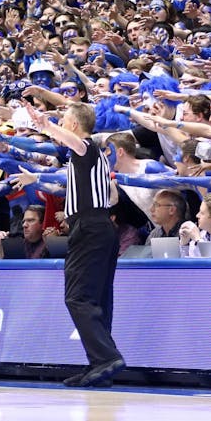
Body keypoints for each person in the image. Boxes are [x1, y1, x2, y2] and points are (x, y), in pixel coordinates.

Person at [24, 101, 124, 388]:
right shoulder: (94, 160)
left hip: (90, 228)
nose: (61, 124)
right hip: (101, 226)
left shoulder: (87, 148)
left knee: (77, 297)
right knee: (98, 299)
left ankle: (106, 357)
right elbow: (113, 197)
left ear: (74, 125)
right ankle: (100, 364)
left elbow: (75, 143)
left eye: (64, 120)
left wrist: (45, 125)